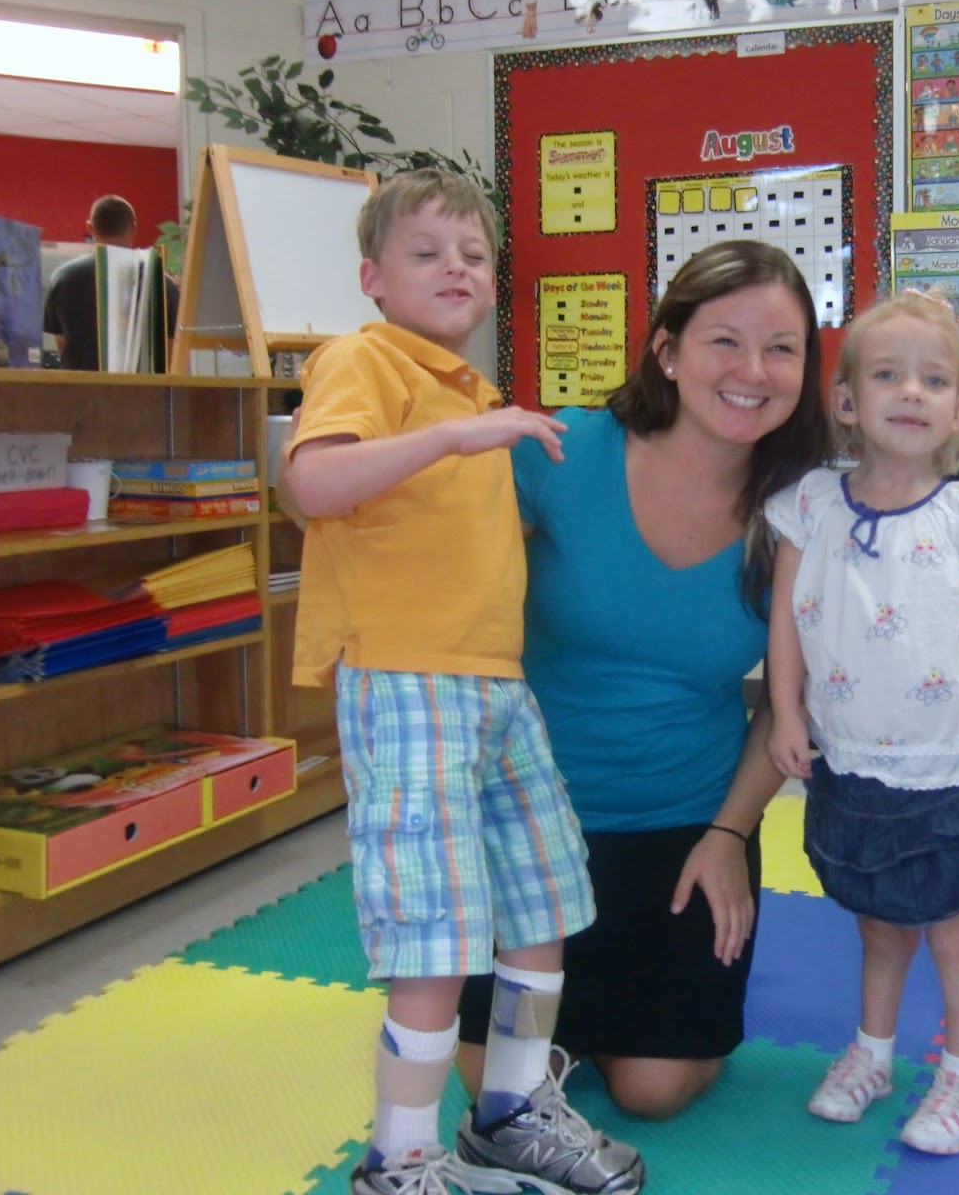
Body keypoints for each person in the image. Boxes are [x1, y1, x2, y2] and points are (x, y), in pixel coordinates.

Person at [281, 169, 644, 1195]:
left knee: (541, 901)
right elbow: (309, 483)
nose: (457, 268)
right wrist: (452, 436)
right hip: (404, 682)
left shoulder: (470, 389)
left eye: (474, 255)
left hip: (493, 687)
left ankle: (512, 1107)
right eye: (427, 252)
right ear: (373, 278)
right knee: (434, 936)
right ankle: (398, 1158)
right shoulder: (366, 358)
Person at [455, 240, 832, 1120]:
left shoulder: (802, 510)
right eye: (724, 342)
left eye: (782, 348)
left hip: (684, 827)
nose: (754, 371)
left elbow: (792, 704)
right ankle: (569, 1015)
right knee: (493, 1082)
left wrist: (729, 836)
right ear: (667, 351)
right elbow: (418, 556)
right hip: (528, 820)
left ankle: (602, 1017)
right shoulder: (560, 452)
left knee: (653, 1090)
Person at [762, 289, 959, 1156]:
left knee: (955, 925)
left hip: (950, 763)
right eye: (887, 376)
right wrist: (782, 712)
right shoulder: (810, 504)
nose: (909, 393)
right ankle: (873, 1052)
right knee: (878, 922)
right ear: (848, 402)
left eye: (932, 379)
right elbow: (784, 618)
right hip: (851, 758)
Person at [42, 194, 179, 370]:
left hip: (79, 392)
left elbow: (62, 341)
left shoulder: (63, 277)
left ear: (90, 228)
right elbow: (170, 347)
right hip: (141, 393)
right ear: (133, 228)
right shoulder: (160, 282)